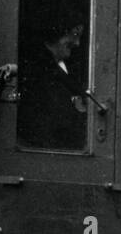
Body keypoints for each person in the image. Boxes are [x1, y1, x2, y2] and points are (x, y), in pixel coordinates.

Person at [17, 12, 88, 150]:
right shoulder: (38, 71)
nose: (78, 43)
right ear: (58, 31)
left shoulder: (62, 66)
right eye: (74, 34)